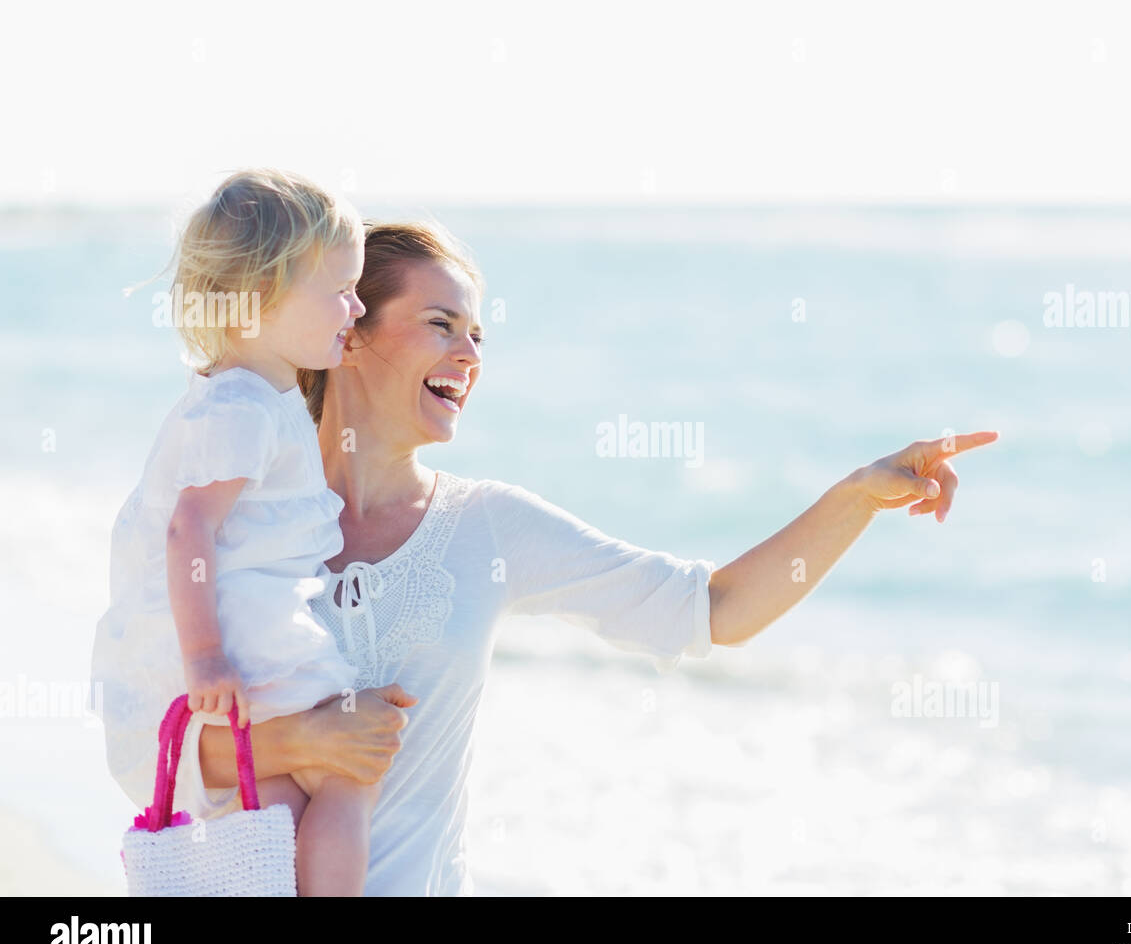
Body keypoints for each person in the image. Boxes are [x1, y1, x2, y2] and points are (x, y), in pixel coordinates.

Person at [117, 217, 998, 896]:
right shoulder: (227, 507)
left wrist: (856, 499)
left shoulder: (488, 529)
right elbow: (136, 745)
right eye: (440, 324)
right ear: (347, 330)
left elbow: (712, 611)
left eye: (478, 335)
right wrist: (302, 740)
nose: (470, 354)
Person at [89, 169, 416, 896]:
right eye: (340, 290)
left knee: (276, 807)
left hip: (250, 630)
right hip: (250, 633)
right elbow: (188, 531)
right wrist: (206, 656)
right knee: (345, 779)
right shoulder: (242, 405)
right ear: (264, 294)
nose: (356, 308)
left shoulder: (250, 392)